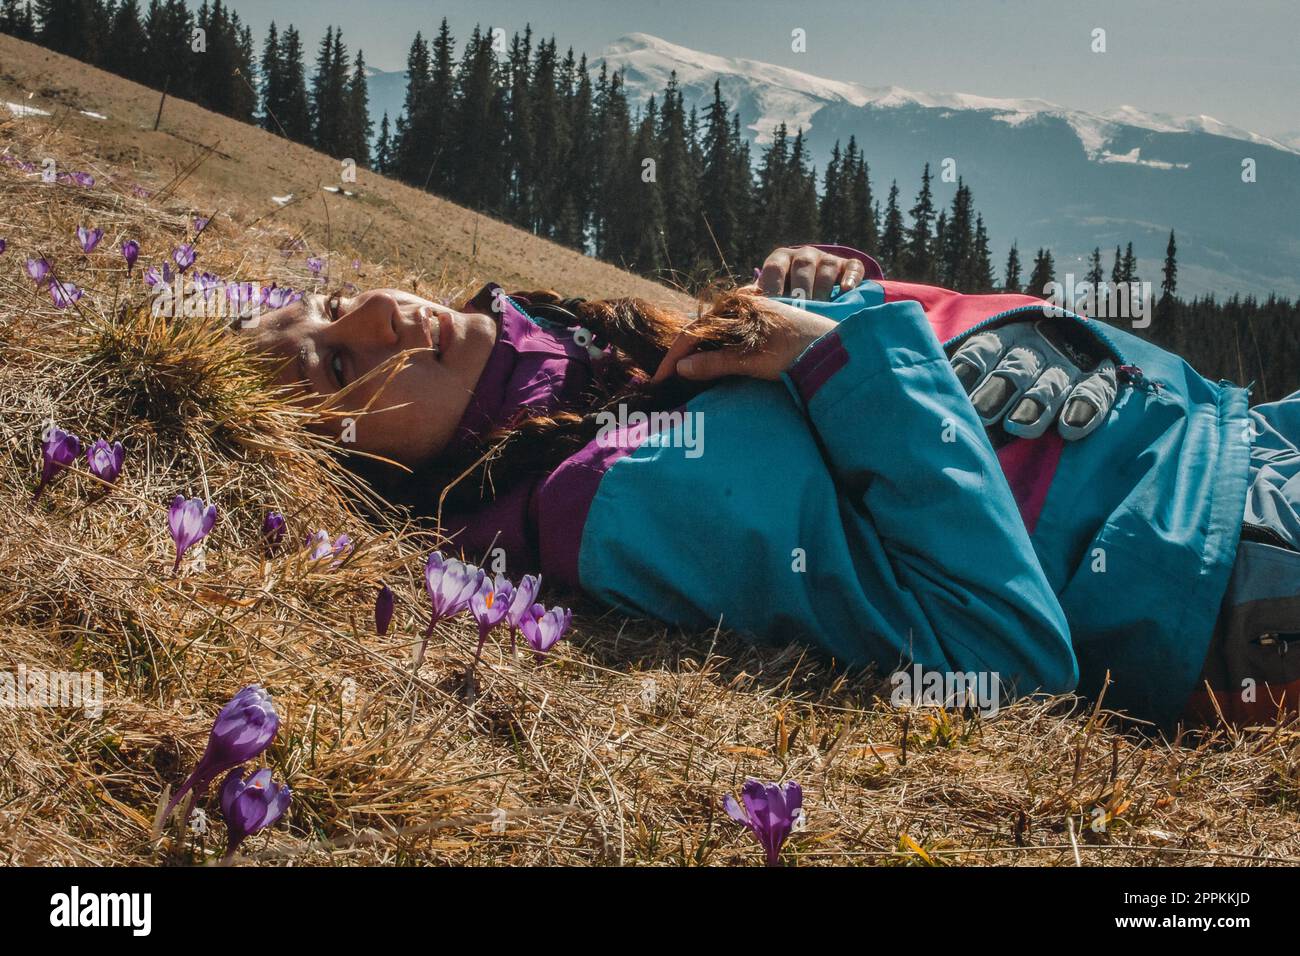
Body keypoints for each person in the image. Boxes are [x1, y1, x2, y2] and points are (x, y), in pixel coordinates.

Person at [239, 244, 1300, 731]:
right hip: (1231, 561)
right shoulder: (613, 497)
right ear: (374, 476)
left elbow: (906, 426)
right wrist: (836, 359)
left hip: (1244, 437)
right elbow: (1000, 659)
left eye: (329, 301)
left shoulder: (602, 370)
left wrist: (852, 291)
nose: (377, 308)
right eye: (336, 366)